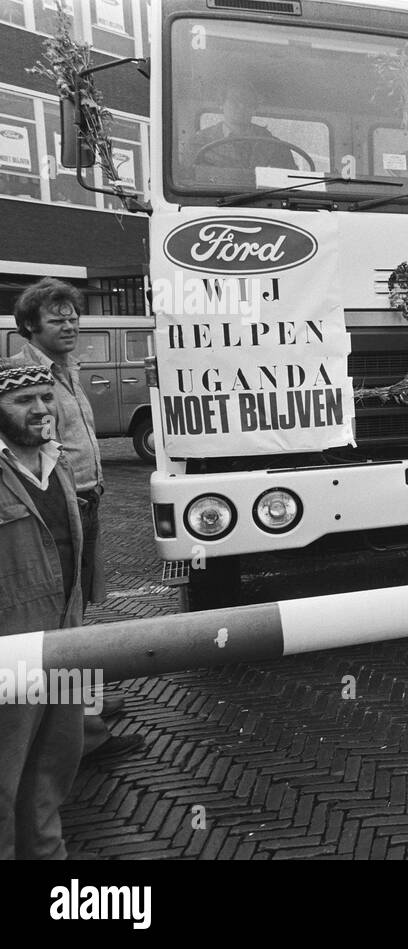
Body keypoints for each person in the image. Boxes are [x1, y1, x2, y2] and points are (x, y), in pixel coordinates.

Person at [12, 280, 139, 763]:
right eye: (56, 318)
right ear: (30, 326)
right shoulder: (28, 376)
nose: (69, 325)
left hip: (85, 501)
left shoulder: (66, 369)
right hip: (60, 507)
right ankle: (84, 735)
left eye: (72, 316)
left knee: (78, 609)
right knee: (63, 618)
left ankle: (88, 703)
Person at [0, 363, 85, 859]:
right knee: (3, 778)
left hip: (67, 639)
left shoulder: (59, 462)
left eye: (46, 398)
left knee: (55, 764)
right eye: (22, 400)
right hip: (11, 649)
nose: (40, 410)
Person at [190, 79, 297, 172]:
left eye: (247, 101)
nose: (241, 106)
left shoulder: (275, 146)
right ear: (221, 104)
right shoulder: (200, 142)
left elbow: (291, 183)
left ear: (254, 107)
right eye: (235, 100)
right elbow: (188, 180)